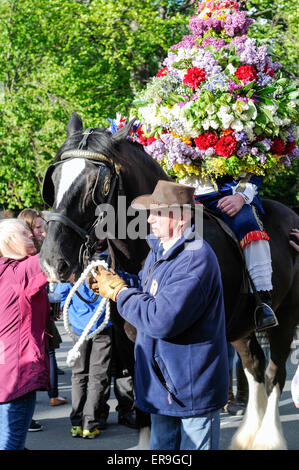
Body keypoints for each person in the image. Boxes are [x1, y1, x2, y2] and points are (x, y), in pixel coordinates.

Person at [89, 180, 229, 450]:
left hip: (189, 389)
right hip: (163, 386)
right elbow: (147, 289)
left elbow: (159, 319)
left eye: (158, 212)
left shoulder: (195, 257)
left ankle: (261, 300)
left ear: (180, 217)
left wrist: (118, 293)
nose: (149, 218)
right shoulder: (160, 250)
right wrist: (115, 280)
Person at [190, 174, 278, 331]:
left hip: (232, 194)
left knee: (250, 229)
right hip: (192, 192)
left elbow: (257, 166)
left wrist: (240, 196)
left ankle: (262, 301)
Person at [0, 219, 50, 450]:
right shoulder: (21, 271)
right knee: (11, 443)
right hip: (17, 372)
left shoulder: (5, 270)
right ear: (9, 241)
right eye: (25, 233)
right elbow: (57, 250)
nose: (32, 236)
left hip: (6, 369)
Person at [18, 209, 67, 415]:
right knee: (43, 353)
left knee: (48, 351)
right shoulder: (24, 258)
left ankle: (49, 395)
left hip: (41, 312)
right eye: (37, 227)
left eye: (42, 227)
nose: (41, 232)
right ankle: (51, 395)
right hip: (27, 320)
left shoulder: (37, 251)